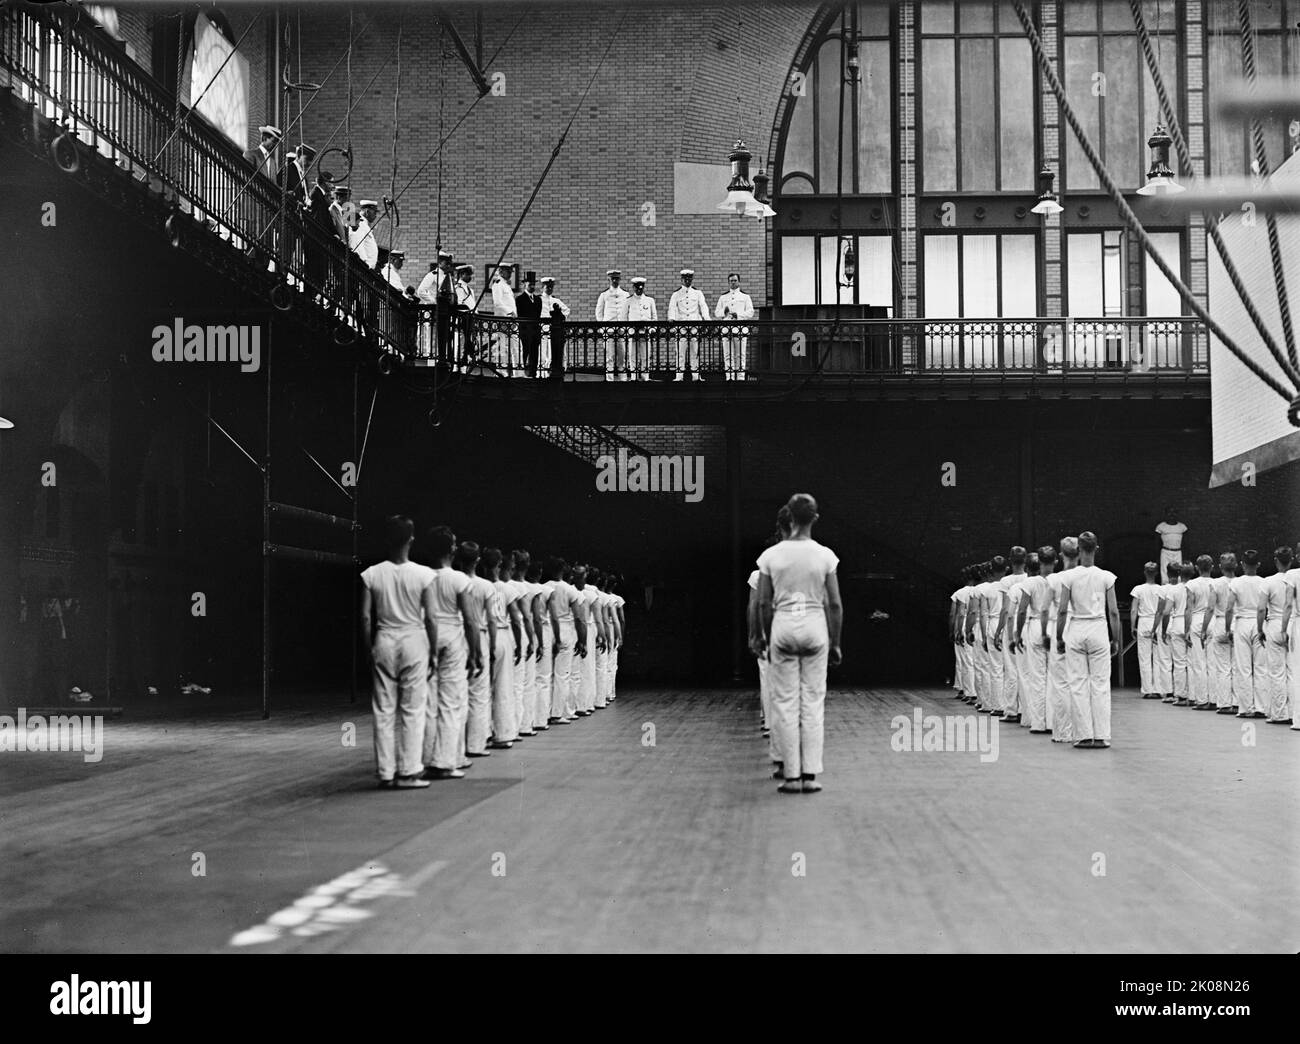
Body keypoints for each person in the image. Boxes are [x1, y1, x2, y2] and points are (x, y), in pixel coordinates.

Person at [754, 493, 843, 794]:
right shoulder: (825, 555)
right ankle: (810, 775)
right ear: (814, 519)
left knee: (785, 702)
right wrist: (835, 643)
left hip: (783, 626)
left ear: (789, 518)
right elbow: (834, 604)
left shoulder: (771, 556)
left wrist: (767, 636)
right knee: (813, 702)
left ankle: (790, 776)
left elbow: (764, 603)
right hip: (816, 626)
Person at [359, 516, 435, 789]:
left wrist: (370, 649)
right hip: (414, 640)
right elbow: (431, 619)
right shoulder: (424, 574)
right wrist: (434, 652)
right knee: (413, 709)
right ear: (411, 539)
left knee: (383, 709)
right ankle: (409, 771)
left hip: (385, 639)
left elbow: (366, 618)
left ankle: (386, 772)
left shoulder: (372, 573)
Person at [422, 526, 483, 780]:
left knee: (428, 702)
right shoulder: (459, 579)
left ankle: (425, 757)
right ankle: (446, 760)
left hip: (427, 635)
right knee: (451, 701)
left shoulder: (423, 575)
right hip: (453, 636)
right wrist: (476, 651)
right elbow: (470, 620)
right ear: (451, 549)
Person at [1055, 531, 1120, 749]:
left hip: (1076, 628)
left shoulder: (1068, 577)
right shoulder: (1106, 576)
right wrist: (1116, 639)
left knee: (1078, 683)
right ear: (1096, 549)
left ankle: (1083, 735)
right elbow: (1113, 611)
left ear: (1078, 550)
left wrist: (1059, 636)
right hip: (1099, 628)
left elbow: (1063, 610)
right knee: (1100, 684)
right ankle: (1101, 735)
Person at [455, 541, 498, 759]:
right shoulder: (485, 586)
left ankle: (456, 747)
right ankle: (476, 744)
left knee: (457, 694)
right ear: (478, 560)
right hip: (479, 635)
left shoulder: (454, 581)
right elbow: (491, 619)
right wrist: (490, 647)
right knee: (479, 694)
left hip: (456, 636)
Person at [480, 548, 519, 749]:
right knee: (503, 686)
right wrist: (520, 643)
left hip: (481, 635)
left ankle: (482, 734)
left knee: (480, 688)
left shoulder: (476, 585)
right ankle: (503, 734)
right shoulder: (507, 589)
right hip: (502, 634)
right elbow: (518, 618)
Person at [1224, 549, 1266, 719]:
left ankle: (1246, 707)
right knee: (1261, 668)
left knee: (1243, 668)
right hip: (1258, 622)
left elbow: (1228, 608)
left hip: (1242, 623)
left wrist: (1228, 629)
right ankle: (1262, 707)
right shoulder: (1264, 582)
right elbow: (1264, 607)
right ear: (1258, 565)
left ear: (1242, 564)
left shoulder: (1236, 583)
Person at [1014, 550, 1054, 733]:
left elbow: (1022, 610)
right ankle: (1054, 722)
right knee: (1054, 677)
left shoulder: (1029, 583)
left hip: (1036, 625)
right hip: (1052, 625)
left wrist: (1017, 633)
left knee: (1037, 677)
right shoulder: (1058, 580)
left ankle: (1038, 722)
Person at [1045, 538, 1077, 743]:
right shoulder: (1087, 576)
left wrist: (1046, 634)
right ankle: (1081, 729)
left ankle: (1063, 730)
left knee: (1060, 682)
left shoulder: (1054, 580)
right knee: (1081, 681)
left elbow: (1045, 609)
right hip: (1082, 625)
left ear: (1061, 555)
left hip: (1059, 626)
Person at [993, 546, 1029, 723]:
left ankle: (1011, 710)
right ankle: (1025, 709)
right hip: (1026, 624)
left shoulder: (1006, 581)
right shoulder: (1029, 578)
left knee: (1011, 670)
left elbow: (1005, 610)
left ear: (1010, 560)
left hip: (1011, 624)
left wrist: (1000, 631)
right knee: (1026, 669)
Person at [1258, 546, 1293, 725]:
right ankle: (1296, 712)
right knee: (1294, 672)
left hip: (1275, 624)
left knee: (1276, 671)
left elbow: (1262, 608)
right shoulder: (1295, 578)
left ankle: (1279, 713)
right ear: (1291, 560)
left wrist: (1259, 628)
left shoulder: (1268, 581)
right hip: (1293, 623)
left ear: (1276, 560)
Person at [1184, 556, 1216, 710]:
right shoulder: (1216, 583)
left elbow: (1188, 608)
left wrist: (1186, 630)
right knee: (1213, 662)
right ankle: (1216, 698)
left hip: (1197, 620)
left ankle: (1202, 699)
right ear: (1212, 567)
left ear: (1197, 567)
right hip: (1213, 620)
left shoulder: (1191, 584)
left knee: (1199, 663)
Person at [1130, 562, 1166, 699]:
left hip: (1144, 622)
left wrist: (1132, 626)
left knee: (1144, 658)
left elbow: (1134, 609)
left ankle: (1147, 689)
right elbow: (1162, 610)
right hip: (1157, 621)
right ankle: (1158, 688)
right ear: (1156, 573)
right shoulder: (1161, 589)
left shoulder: (1138, 589)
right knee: (1158, 658)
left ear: (1145, 572)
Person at [1209, 552, 1239, 715]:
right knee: (1237, 666)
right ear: (1236, 566)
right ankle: (1237, 702)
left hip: (1221, 622)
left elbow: (1210, 607)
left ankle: (1224, 703)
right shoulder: (1239, 582)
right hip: (1237, 622)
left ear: (1220, 567)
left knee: (1222, 667)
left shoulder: (1216, 584)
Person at [1156, 560, 1188, 705]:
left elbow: (1161, 611)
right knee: (1185, 661)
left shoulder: (1164, 589)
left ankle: (1169, 692)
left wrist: (1155, 629)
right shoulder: (1187, 587)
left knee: (1165, 660)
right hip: (1183, 623)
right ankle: (1186, 692)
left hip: (1169, 623)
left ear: (1167, 573)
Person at [668, 268, 710, 380]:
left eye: (689, 278)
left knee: (695, 352)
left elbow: (703, 306)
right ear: (682, 280)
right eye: (685, 279)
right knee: (680, 353)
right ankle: (679, 376)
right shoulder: (676, 294)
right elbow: (672, 307)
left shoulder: (697, 293)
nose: (687, 281)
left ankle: (696, 376)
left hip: (694, 327)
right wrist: (671, 318)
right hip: (681, 327)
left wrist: (707, 318)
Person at [716, 272, 755, 380]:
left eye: (735, 280)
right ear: (728, 282)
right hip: (726, 329)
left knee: (740, 354)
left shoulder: (745, 297)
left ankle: (740, 377)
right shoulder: (723, 297)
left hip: (740, 328)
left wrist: (738, 315)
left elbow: (750, 312)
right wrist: (724, 312)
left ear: (739, 282)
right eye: (731, 281)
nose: (733, 283)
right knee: (728, 354)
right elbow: (717, 312)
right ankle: (729, 377)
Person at [595, 270, 631, 380]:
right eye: (612, 279)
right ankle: (609, 378)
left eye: (617, 278)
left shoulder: (625, 294)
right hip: (609, 329)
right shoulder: (604, 295)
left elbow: (629, 311)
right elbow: (599, 312)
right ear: (609, 280)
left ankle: (623, 377)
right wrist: (603, 327)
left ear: (619, 279)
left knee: (622, 354)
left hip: (621, 329)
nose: (615, 280)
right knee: (609, 355)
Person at [626, 277, 658, 381]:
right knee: (632, 355)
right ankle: (634, 376)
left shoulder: (650, 301)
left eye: (641, 287)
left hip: (645, 332)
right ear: (633, 288)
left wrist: (652, 329)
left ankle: (645, 376)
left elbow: (654, 318)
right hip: (633, 333)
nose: (639, 289)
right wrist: (628, 330)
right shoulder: (628, 301)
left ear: (643, 287)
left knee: (646, 355)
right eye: (637, 287)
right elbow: (623, 318)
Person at [540, 277, 570, 378]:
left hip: (554, 330)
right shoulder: (539, 300)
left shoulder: (555, 300)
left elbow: (566, 310)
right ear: (542, 287)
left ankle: (550, 372)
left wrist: (561, 318)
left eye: (551, 287)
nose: (549, 289)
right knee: (542, 352)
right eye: (547, 287)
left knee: (552, 353)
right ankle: (541, 373)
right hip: (542, 329)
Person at [516, 272, 545, 378]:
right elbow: (519, 315)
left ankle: (533, 372)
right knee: (525, 351)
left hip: (535, 330)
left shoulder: (538, 300)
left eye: (533, 284)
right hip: (524, 330)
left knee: (534, 352)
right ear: (525, 285)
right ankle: (523, 372)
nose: (532, 287)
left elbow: (538, 315)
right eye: (529, 285)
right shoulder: (519, 299)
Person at [490, 264, 518, 371]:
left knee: (515, 347)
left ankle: (517, 372)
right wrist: (509, 312)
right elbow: (498, 302)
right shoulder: (498, 284)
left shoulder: (506, 285)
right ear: (501, 271)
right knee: (502, 347)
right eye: (508, 271)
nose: (510, 273)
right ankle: (501, 371)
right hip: (503, 319)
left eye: (511, 271)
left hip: (512, 320)